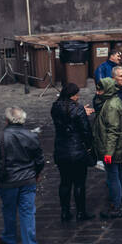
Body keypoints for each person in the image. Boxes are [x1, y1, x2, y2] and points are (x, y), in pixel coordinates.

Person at [0, 107, 45, 244]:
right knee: (27, 212)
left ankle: (9, 237)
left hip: (8, 180)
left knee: (9, 210)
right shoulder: (31, 135)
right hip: (27, 179)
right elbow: (39, 159)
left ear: (7, 120)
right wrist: (37, 173)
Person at [51, 82, 95, 221]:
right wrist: (89, 146)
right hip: (77, 151)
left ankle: (65, 212)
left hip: (61, 149)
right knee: (79, 182)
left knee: (65, 182)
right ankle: (81, 212)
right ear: (72, 95)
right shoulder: (78, 109)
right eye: (76, 95)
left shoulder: (55, 108)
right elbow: (85, 130)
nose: (78, 97)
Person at [93, 77, 122, 218]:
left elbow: (112, 131)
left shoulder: (111, 106)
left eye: (100, 89)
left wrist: (108, 152)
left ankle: (117, 206)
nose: (97, 92)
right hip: (118, 148)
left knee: (113, 177)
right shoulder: (116, 101)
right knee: (120, 174)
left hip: (113, 150)